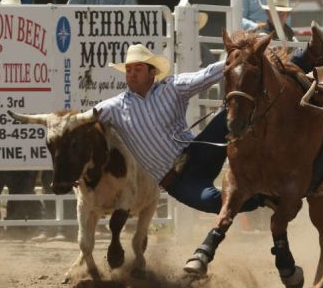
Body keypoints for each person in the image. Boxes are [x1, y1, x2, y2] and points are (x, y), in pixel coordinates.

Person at [92, 44, 264, 217]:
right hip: (177, 181)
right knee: (213, 201)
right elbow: (81, 123)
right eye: (129, 70)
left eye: (138, 69)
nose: (132, 74)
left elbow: (206, 75)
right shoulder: (113, 108)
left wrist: (242, 57)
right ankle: (264, 199)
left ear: (153, 72)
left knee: (233, 114)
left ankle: (276, 151)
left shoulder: (171, 87)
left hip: (197, 153)